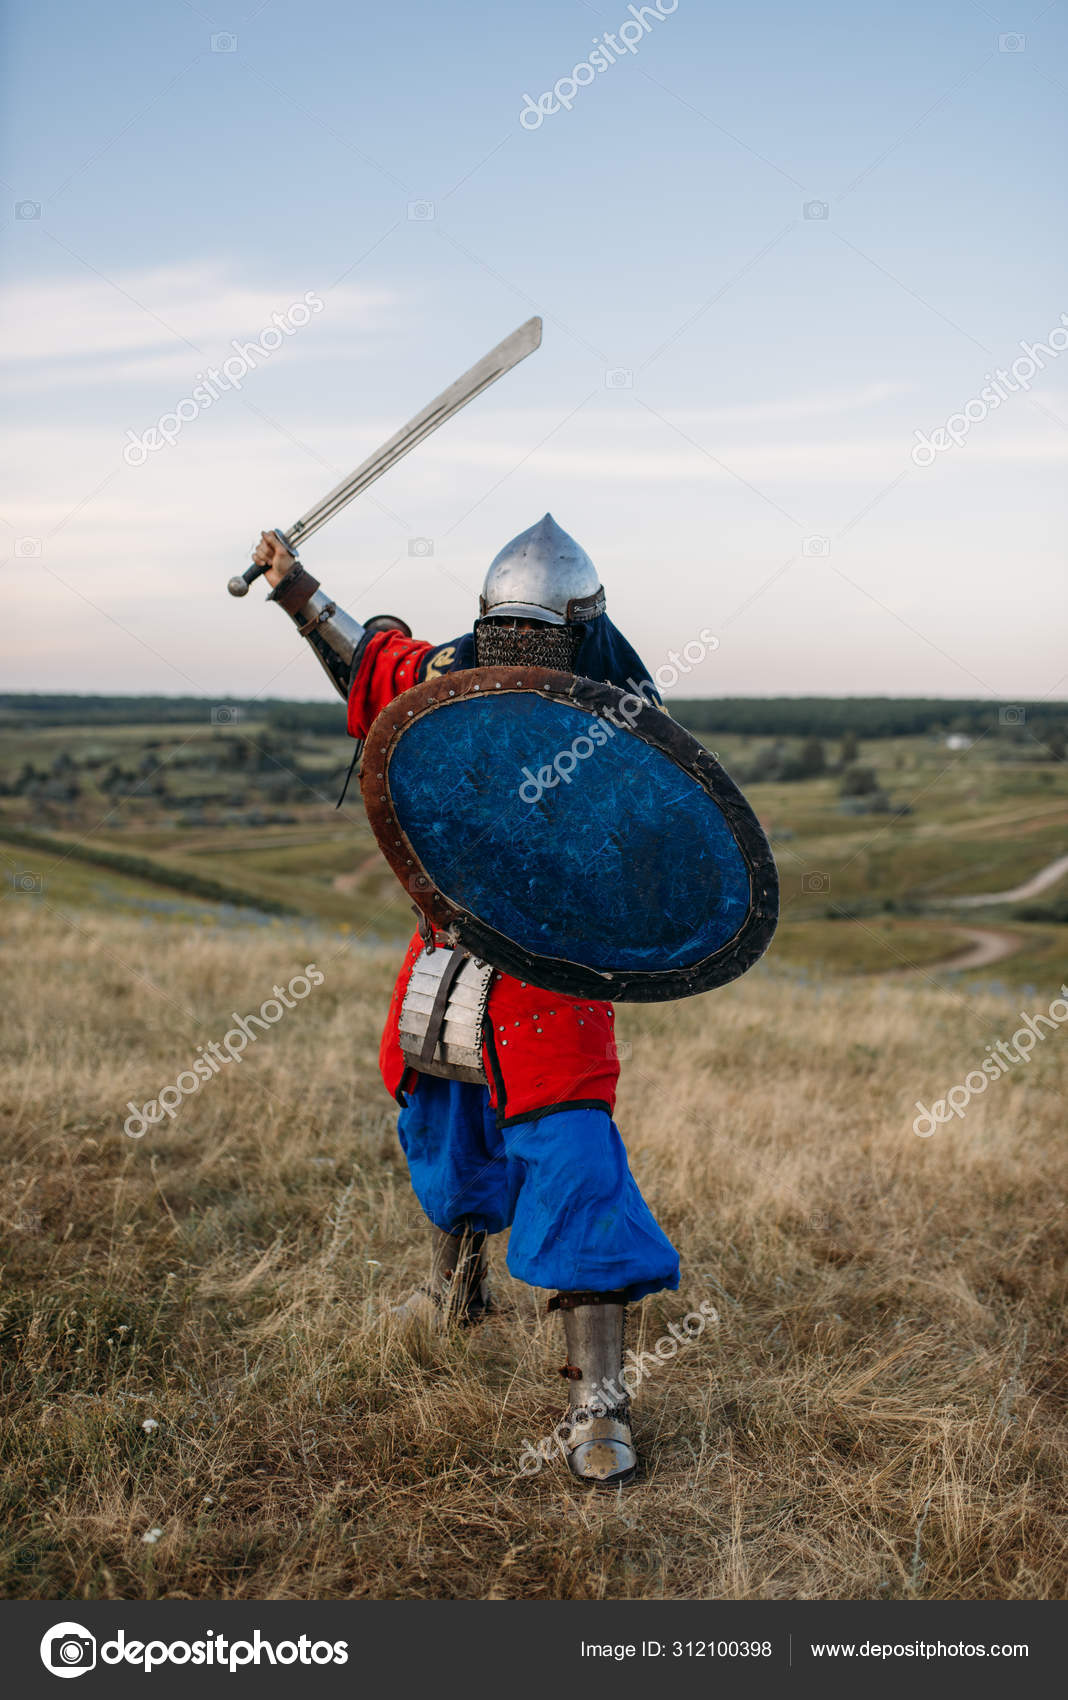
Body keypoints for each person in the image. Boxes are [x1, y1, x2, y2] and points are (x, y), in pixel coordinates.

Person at [253, 513, 679, 1485]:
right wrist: (292, 583)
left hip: (550, 976)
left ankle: (597, 1397)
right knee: (441, 1127)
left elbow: (651, 852)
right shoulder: (451, 670)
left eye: (536, 632)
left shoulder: (615, 719)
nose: (517, 648)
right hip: (446, 955)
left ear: (577, 629)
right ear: (488, 620)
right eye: (507, 630)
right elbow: (368, 662)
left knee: (574, 1162)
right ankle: (456, 1291)